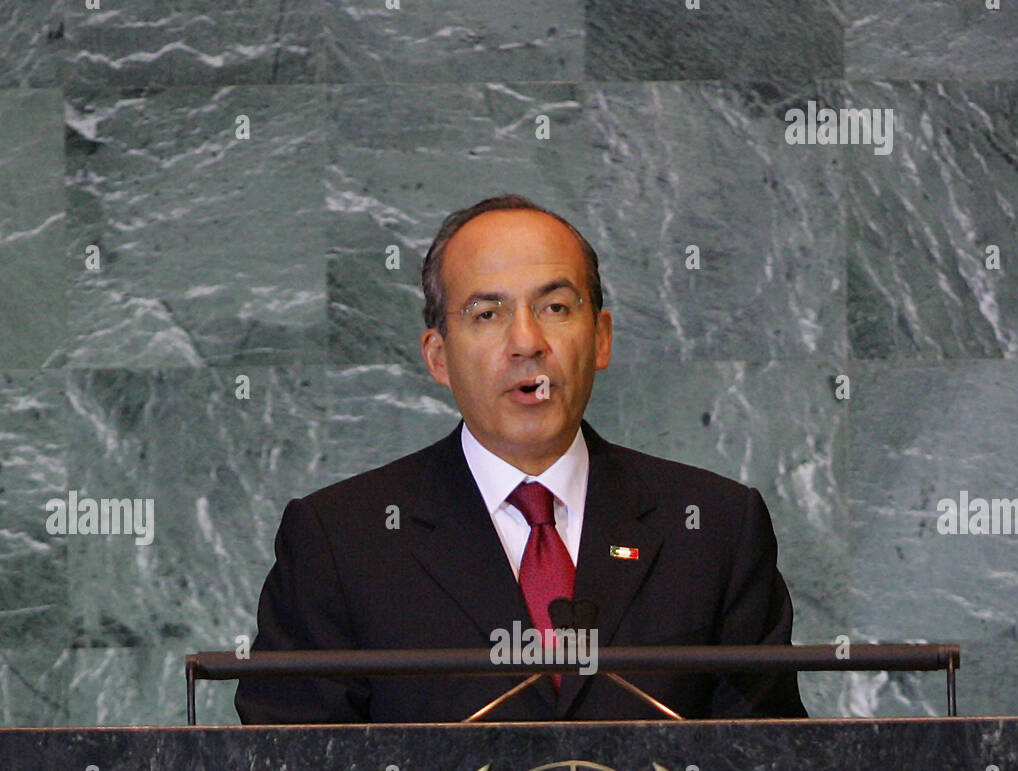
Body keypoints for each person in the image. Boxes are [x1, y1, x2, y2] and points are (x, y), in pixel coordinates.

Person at [235, 194, 808, 723]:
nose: (527, 341)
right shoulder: (341, 541)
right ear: (438, 356)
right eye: (488, 314)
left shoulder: (714, 529)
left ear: (601, 337)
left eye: (556, 307)